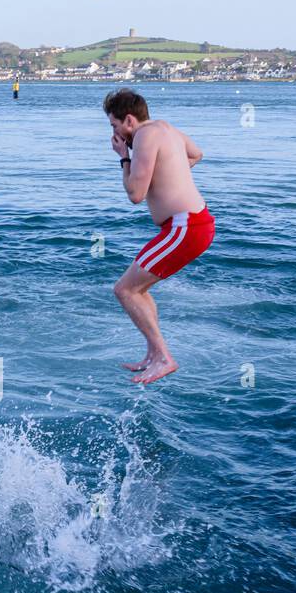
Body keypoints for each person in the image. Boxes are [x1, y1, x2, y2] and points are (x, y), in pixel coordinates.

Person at [104, 88, 215, 384]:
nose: (114, 133)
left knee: (124, 290)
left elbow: (135, 195)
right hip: (191, 225)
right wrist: (168, 170)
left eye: (114, 126)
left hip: (185, 227)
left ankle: (164, 358)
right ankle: (154, 355)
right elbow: (197, 154)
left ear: (129, 120)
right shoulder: (165, 128)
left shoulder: (142, 137)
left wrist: (123, 157)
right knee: (138, 290)